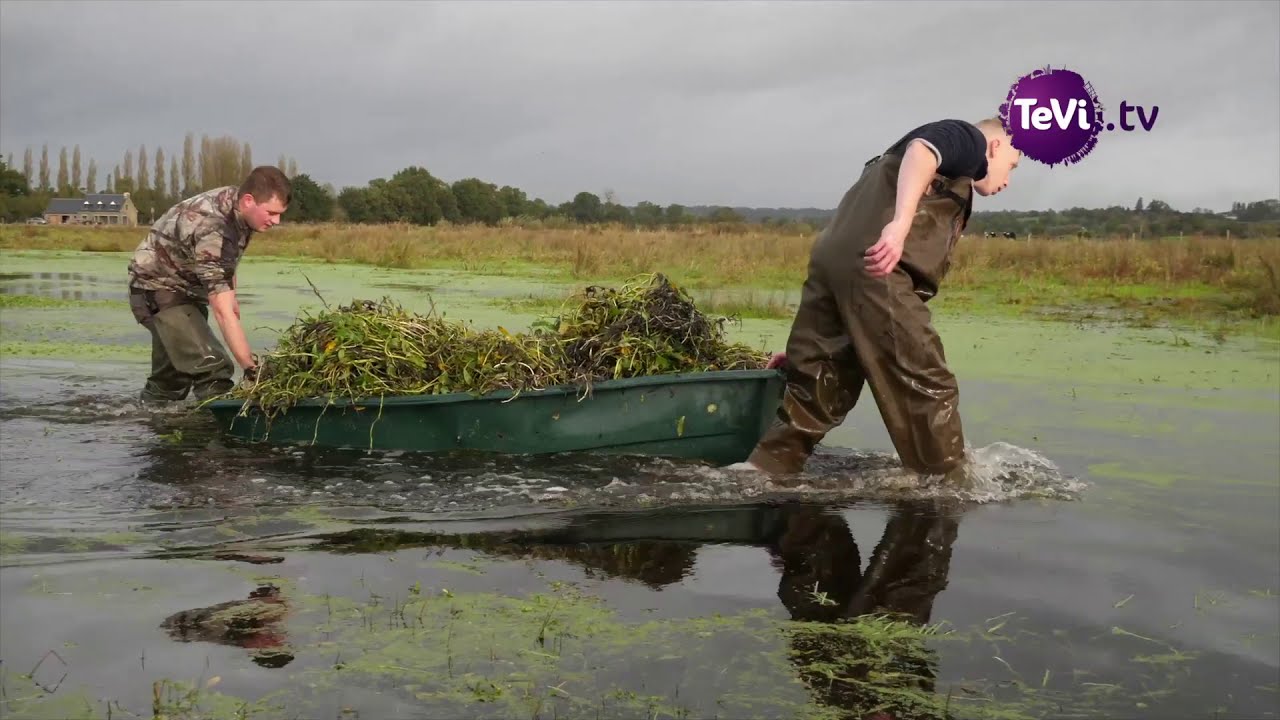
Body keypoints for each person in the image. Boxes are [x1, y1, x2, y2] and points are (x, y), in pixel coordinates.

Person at [735, 117, 1021, 478]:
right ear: (997, 147)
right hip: (877, 269)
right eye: (1012, 166)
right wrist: (900, 224)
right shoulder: (969, 141)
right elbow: (923, 149)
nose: (1008, 179)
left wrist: (805, 349)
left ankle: (761, 471)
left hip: (834, 263)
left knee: (819, 385)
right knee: (926, 381)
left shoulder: (902, 163)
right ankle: (947, 485)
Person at [127, 166, 291, 406]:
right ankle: (226, 433)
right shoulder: (213, 226)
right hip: (157, 290)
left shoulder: (238, 207)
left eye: (280, 214)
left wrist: (231, 294)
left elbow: (224, 260)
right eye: (271, 213)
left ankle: (143, 417)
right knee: (212, 366)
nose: (276, 221)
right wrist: (251, 368)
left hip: (187, 290)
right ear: (249, 201)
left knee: (173, 376)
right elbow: (222, 311)